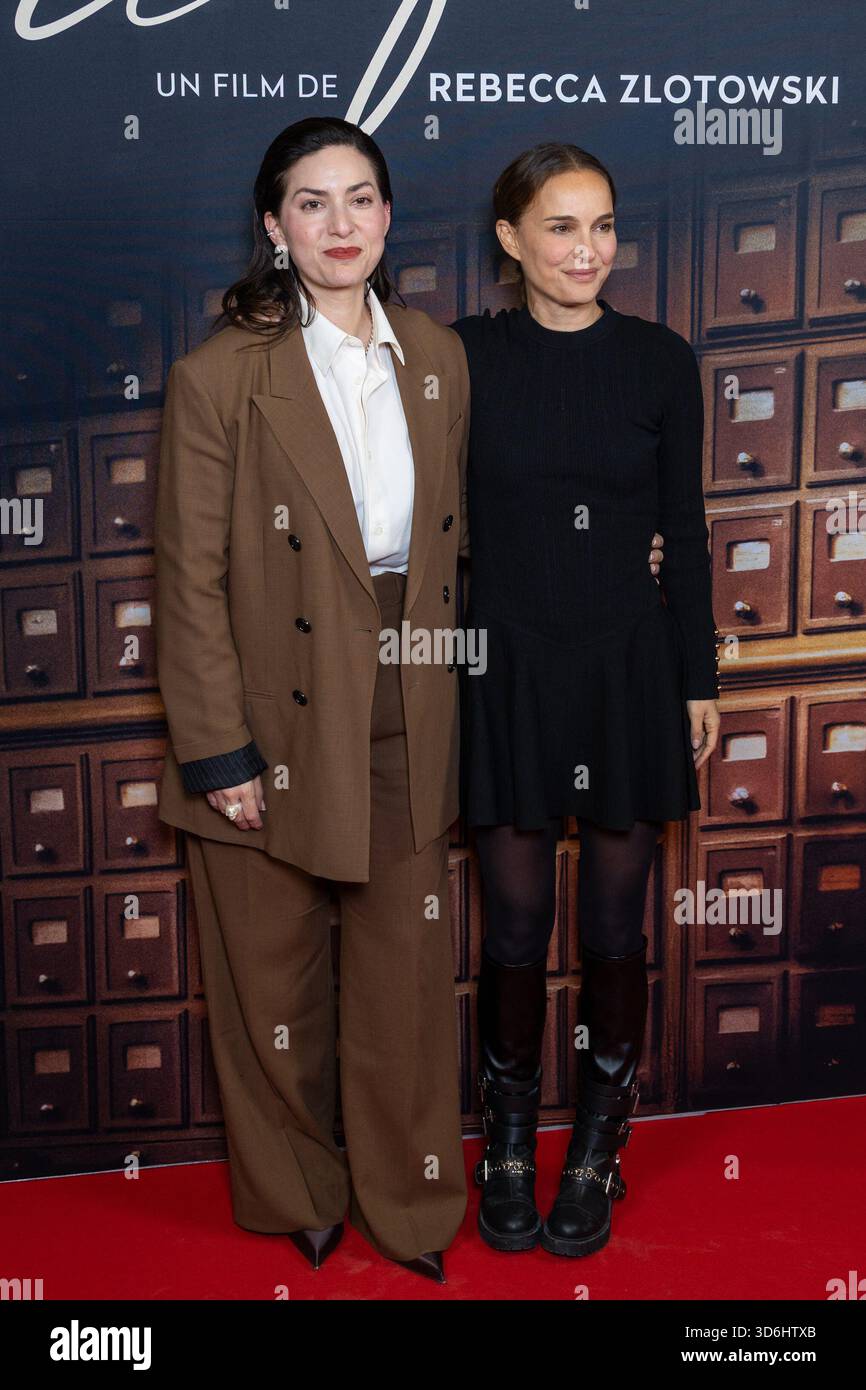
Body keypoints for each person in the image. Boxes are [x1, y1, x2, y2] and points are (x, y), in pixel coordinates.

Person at [154, 117, 472, 1283]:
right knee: (272, 977)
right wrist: (217, 747)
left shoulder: (437, 354)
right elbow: (186, 575)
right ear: (274, 227)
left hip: (409, 690)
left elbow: (458, 544)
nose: (340, 226)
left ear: (388, 217)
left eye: (360, 200)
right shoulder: (217, 374)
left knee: (402, 982)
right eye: (311, 203)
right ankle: (301, 1189)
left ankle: (410, 1203)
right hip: (272, 709)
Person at [450, 142, 721, 1258]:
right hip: (504, 665)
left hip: (626, 667)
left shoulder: (660, 360)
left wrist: (695, 675)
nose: (585, 250)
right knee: (510, 924)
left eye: (601, 225)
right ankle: (508, 1138)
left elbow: (688, 528)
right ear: (508, 242)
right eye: (559, 227)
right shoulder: (459, 359)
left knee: (613, 926)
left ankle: (597, 1146)